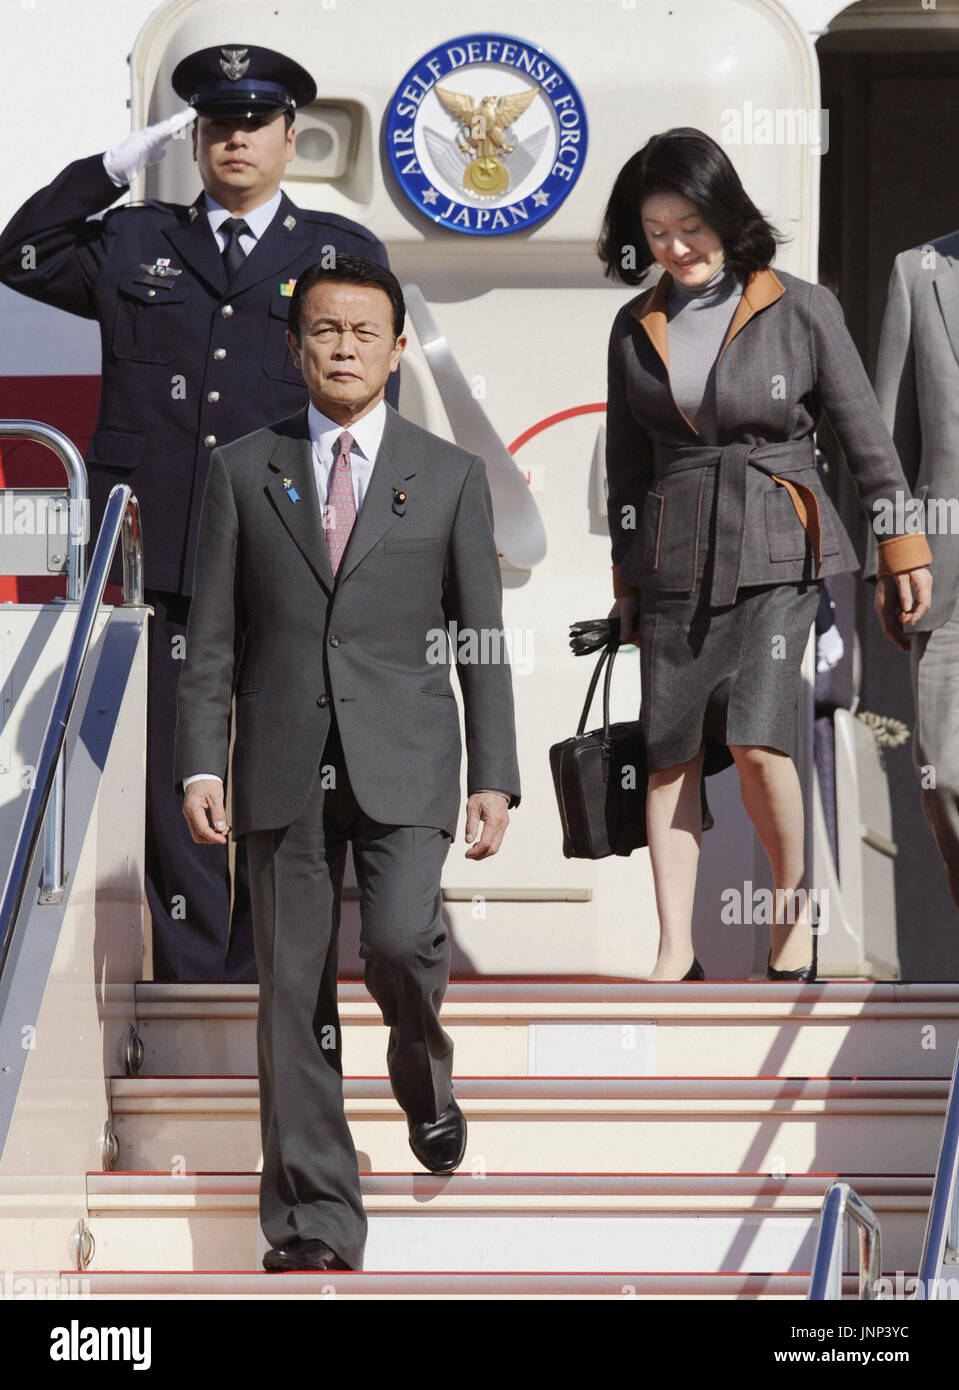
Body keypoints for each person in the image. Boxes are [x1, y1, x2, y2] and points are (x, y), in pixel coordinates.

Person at [0, 44, 397, 984]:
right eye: (217, 125)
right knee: (173, 764)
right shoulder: (136, 239)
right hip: (158, 545)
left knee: (282, 757)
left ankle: (270, 965)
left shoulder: (338, 251)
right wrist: (105, 171)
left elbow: (367, 400)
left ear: (291, 137)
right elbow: (19, 254)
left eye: (256, 124)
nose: (236, 140)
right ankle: (191, 971)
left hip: (286, 545)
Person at [173, 255, 521, 1272]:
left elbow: (480, 639)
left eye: (363, 331)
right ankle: (314, 1220)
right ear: (294, 346)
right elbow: (214, 641)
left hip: (406, 761)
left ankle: (424, 1076)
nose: (342, 347)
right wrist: (202, 763)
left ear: (397, 346)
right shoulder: (242, 469)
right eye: (323, 330)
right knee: (290, 998)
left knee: (406, 944)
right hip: (278, 764)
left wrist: (492, 774)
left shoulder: (447, 474)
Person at [598, 127, 932, 983]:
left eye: (690, 225)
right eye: (657, 230)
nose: (674, 246)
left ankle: (790, 920)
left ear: (725, 214)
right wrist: (625, 585)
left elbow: (866, 444)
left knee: (756, 742)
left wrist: (900, 547)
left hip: (782, 552)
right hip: (672, 558)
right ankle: (676, 947)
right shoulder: (632, 325)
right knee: (667, 751)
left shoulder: (802, 305)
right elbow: (627, 469)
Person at [873, 236, 959, 912]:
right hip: (944, 573)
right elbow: (886, 443)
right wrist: (893, 552)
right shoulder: (917, 272)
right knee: (945, 775)